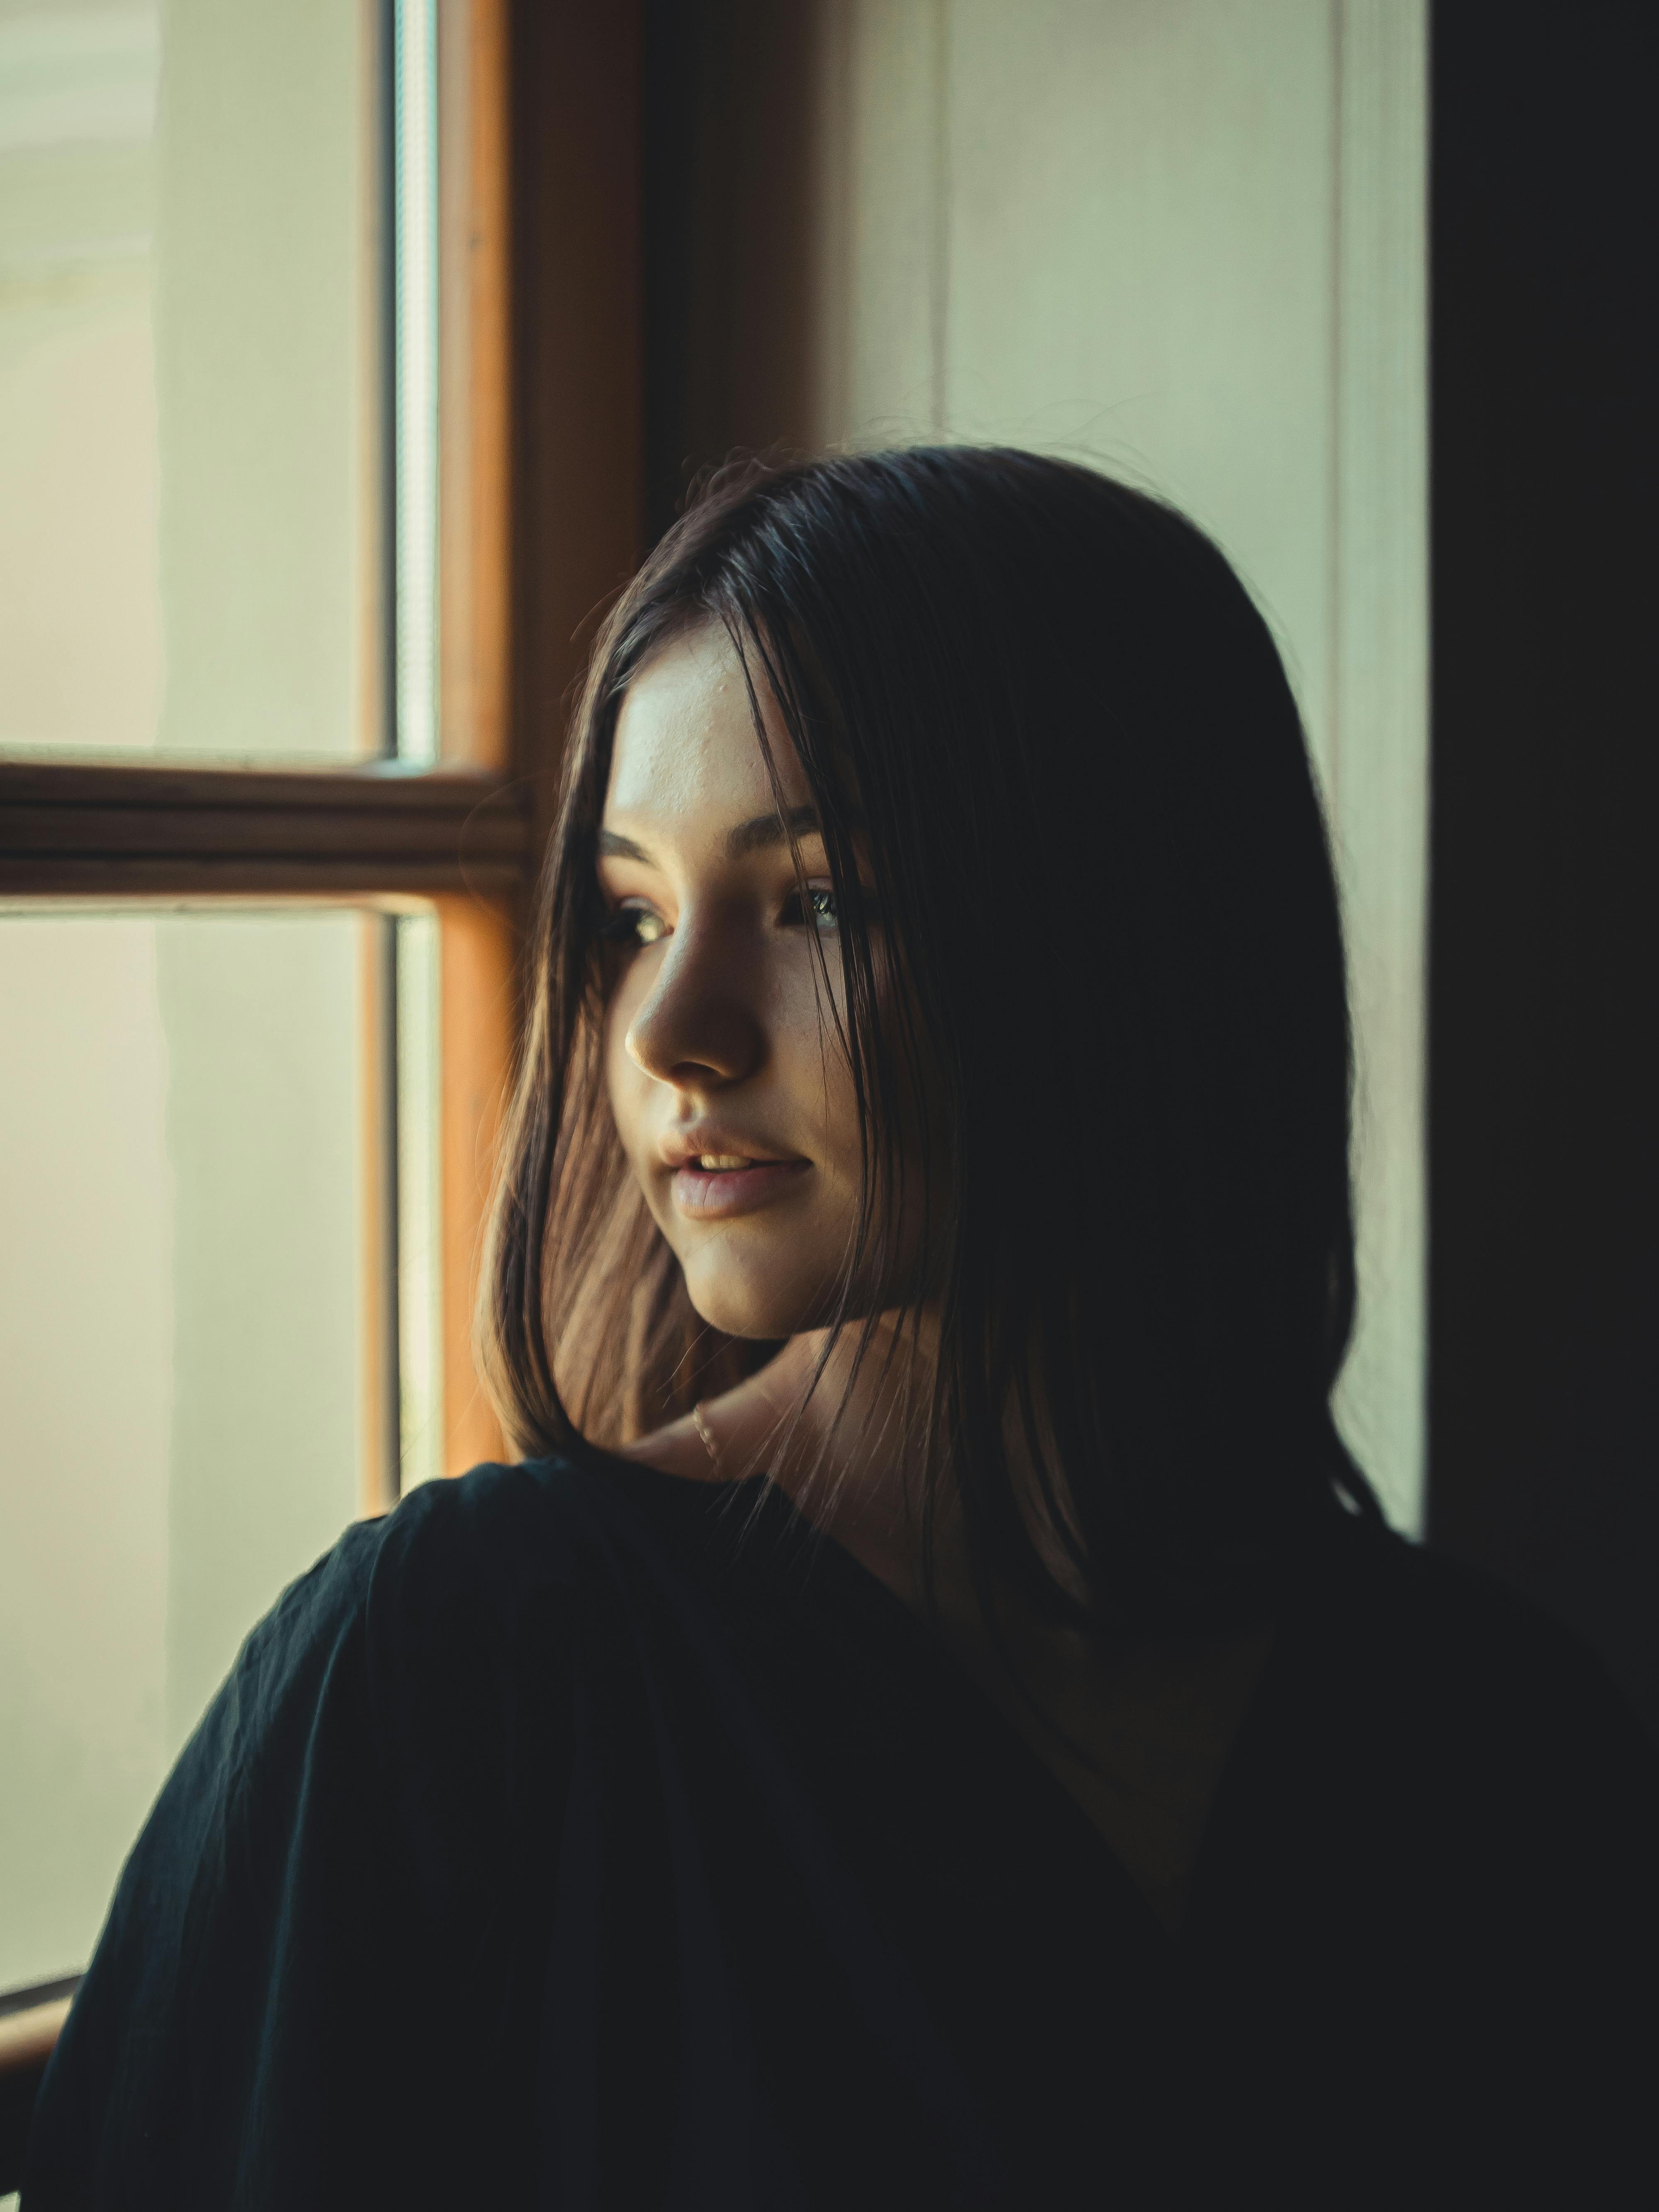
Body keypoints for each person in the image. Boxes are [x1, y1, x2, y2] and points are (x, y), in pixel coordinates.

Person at [24, 450, 1658, 2208]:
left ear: (1127, 938)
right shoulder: (458, 1678)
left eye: (819, 901)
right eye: (633, 913)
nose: (669, 1030)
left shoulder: (1492, 1743)